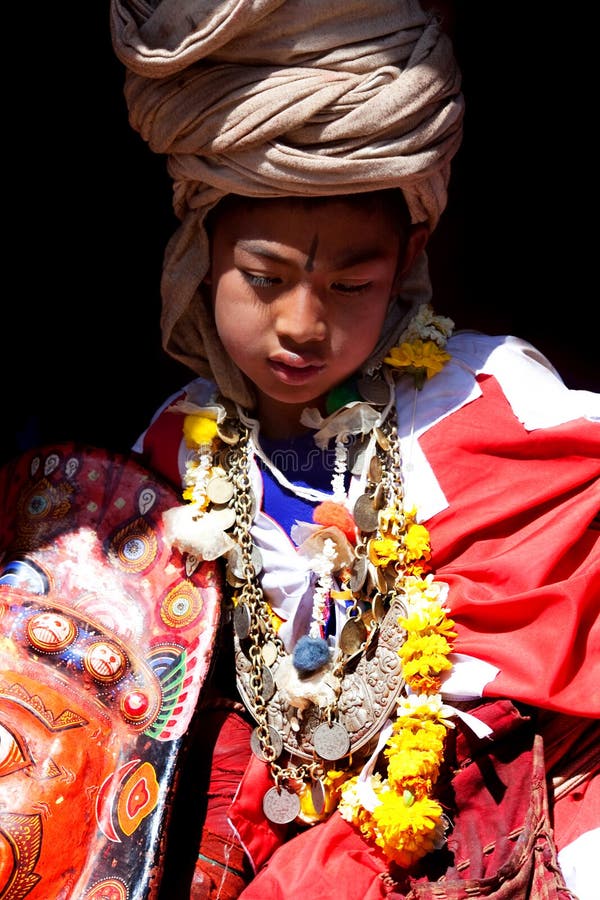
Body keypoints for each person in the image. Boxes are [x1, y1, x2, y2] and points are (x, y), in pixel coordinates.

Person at [13, 1, 594, 897]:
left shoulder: (490, 409)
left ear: (410, 258)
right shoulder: (170, 454)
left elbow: (546, 653)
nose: (302, 326)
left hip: (475, 810)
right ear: (200, 250)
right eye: (265, 278)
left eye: (351, 283)